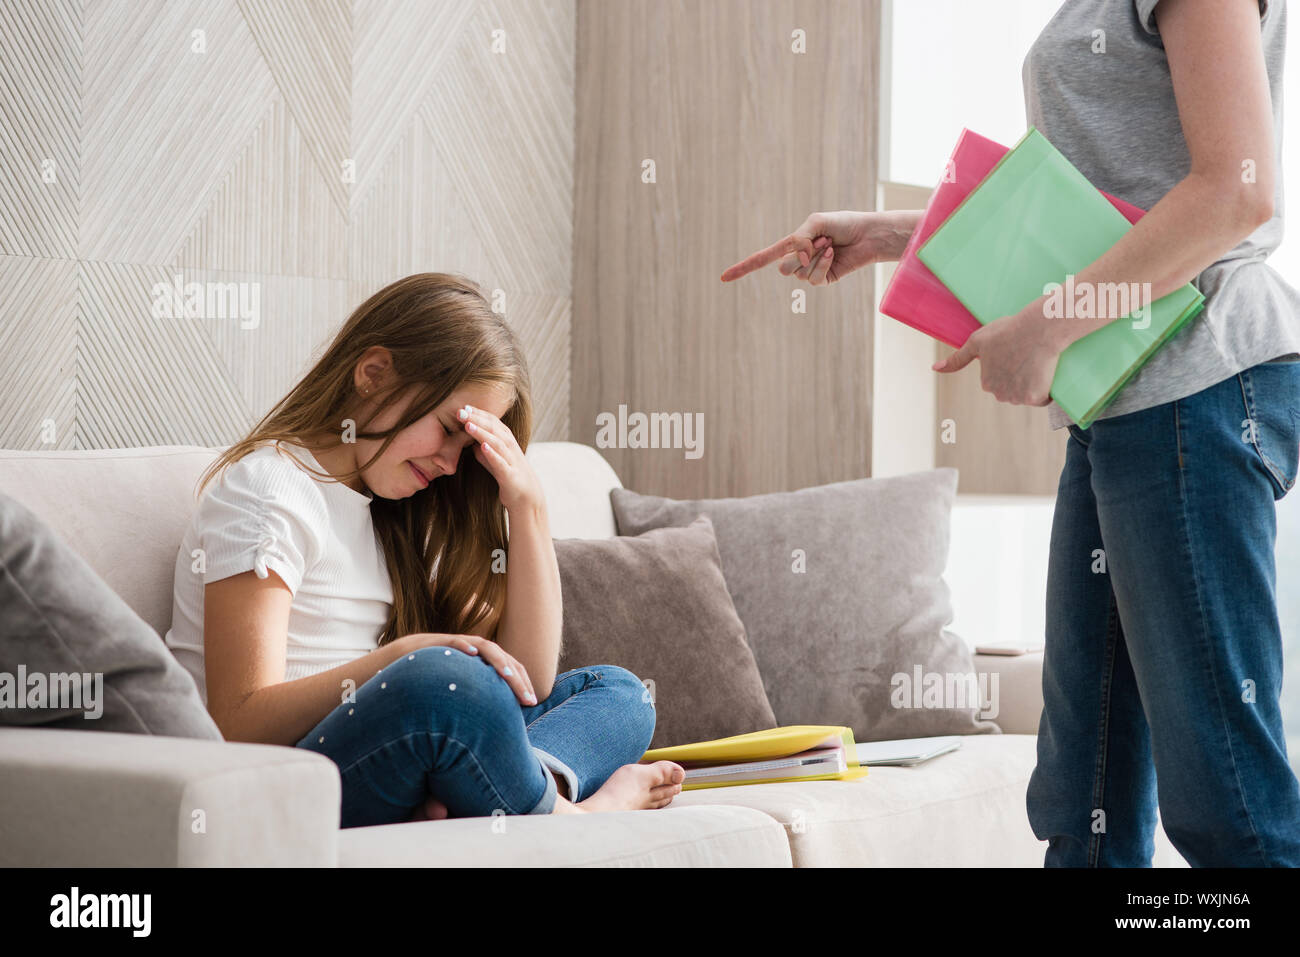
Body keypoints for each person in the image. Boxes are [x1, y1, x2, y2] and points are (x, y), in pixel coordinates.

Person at [720, 0, 1300, 867]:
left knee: (1229, 809)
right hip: (1120, 398)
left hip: (1193, 386)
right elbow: (1097, 212)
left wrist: (1050, 324)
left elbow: (1235, 190)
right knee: (1083, 795)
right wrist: (887, 236)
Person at [163, 272, 685, 827]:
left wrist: (527, 508)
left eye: (469, 446)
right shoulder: (269, 492)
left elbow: (530, 681)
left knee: (620, 693)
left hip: (391, 760)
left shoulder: (390, 512)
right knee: (444, 686)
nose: (450, 464)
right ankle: (575, 817)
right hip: (281, 786)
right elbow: (236, 721)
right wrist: (401, 658)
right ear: (373, 374)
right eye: (446, 429)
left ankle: (508, 787)